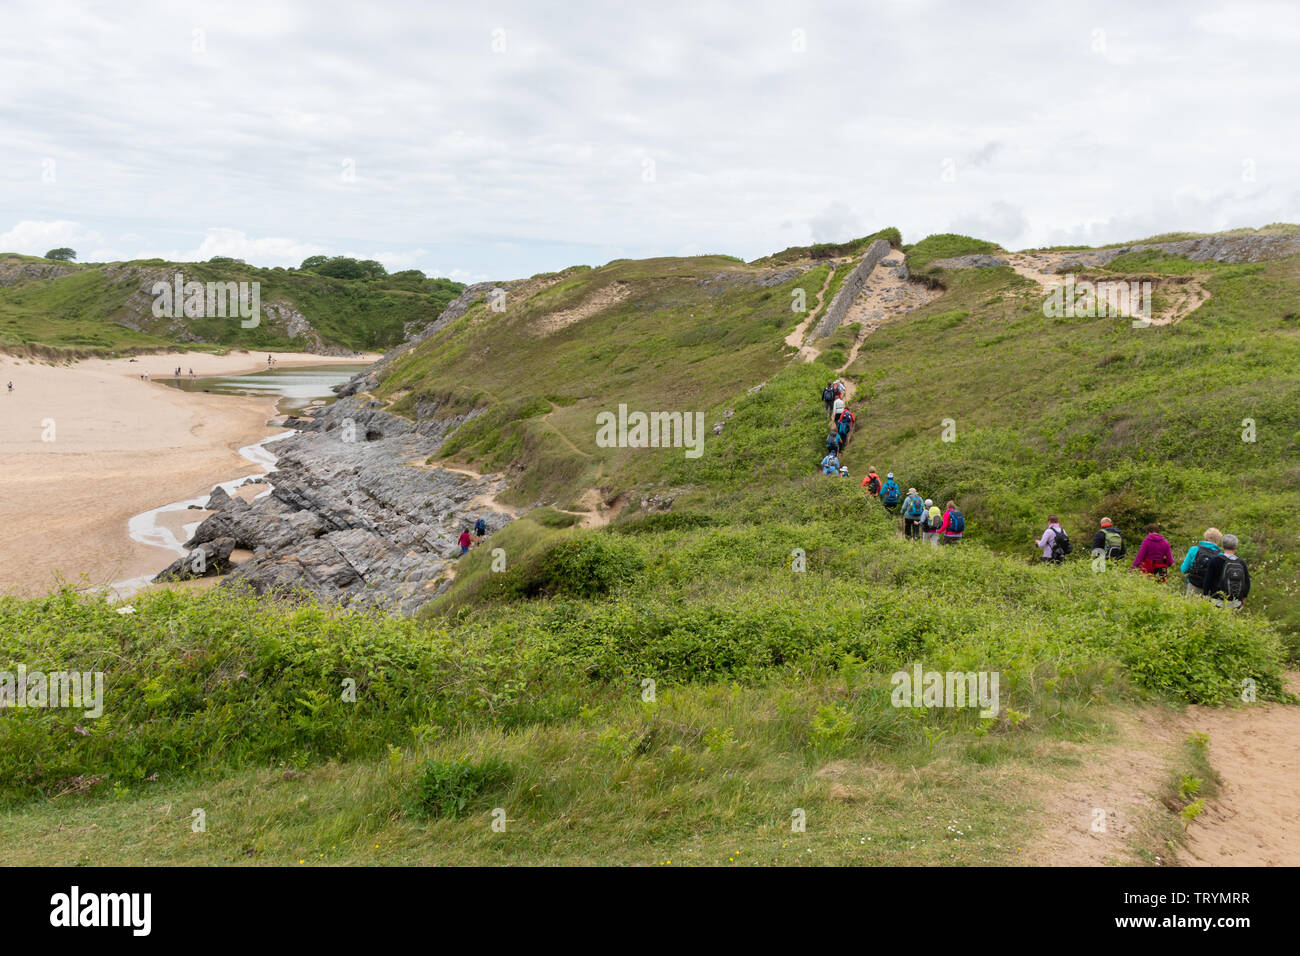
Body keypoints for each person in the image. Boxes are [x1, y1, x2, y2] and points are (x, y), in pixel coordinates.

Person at [1203, 533, 1250, 609]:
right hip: (1235, 603)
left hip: (1216, 602)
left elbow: (1208, 580)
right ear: (1236, 547)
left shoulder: (1215, 561)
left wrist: (1205, 594)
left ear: (1222, 545)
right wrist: (1244, 598)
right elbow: (1247, 583)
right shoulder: (1241, 563)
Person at [1180, 528, 1223, 596]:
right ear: (1217, 540)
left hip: (1193, 585)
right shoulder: (1220, 555)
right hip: (1210, 590)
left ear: (1205, 537)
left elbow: (1184, 569)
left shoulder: (1194, 549)